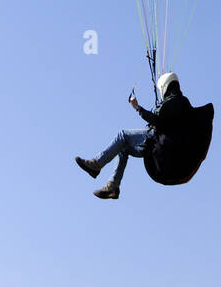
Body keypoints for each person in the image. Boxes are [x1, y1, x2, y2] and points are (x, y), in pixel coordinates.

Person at [75, 71, 191, 199]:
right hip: (163, 145)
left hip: (159, 141)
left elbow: (159, 122)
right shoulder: (181, 102)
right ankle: (113, 186)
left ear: (165, 86)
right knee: (122, 147)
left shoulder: (174, 102)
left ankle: (96, 164)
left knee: (123, 135)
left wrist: (137, 108)